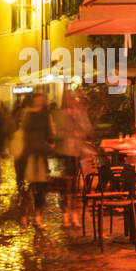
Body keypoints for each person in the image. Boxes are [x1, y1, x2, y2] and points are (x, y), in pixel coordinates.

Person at [17, 90, 56, 228]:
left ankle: (38, 217)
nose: (39, 100)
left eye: (41, 97)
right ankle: (25, 215)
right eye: (37, 97)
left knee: (41, 187)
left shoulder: (46, 115)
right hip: (28, 154)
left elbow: (50, 132)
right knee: (27, 188)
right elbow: (22, 131)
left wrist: (50, 143)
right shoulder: (26, 113)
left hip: (40, 154)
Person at [53, 92, 93, 227]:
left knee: (76, 185)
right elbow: (56, 133)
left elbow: (89, 130)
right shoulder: (61, 115)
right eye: (70, 99)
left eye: (74, 99)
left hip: (77, 153)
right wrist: (69, 132)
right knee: (66, 185)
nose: (73, 102)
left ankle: (74, 214)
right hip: (65, 152)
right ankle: (65, 215)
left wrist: (79, 124)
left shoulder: (80, 114)